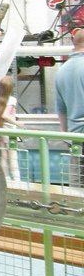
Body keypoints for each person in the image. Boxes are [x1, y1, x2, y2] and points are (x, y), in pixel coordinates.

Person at [55, 28, 84, 187]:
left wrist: (65, 133)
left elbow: (60, 109)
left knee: (77, 179)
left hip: (75, 135)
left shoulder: (61, 71)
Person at [0, 75, 20, 182]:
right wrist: (17, 123)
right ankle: (17, 179)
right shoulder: (11, 100)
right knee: (13, 154)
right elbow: (6, 115)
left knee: (4, 154)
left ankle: (6, 178)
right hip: (9, 129)